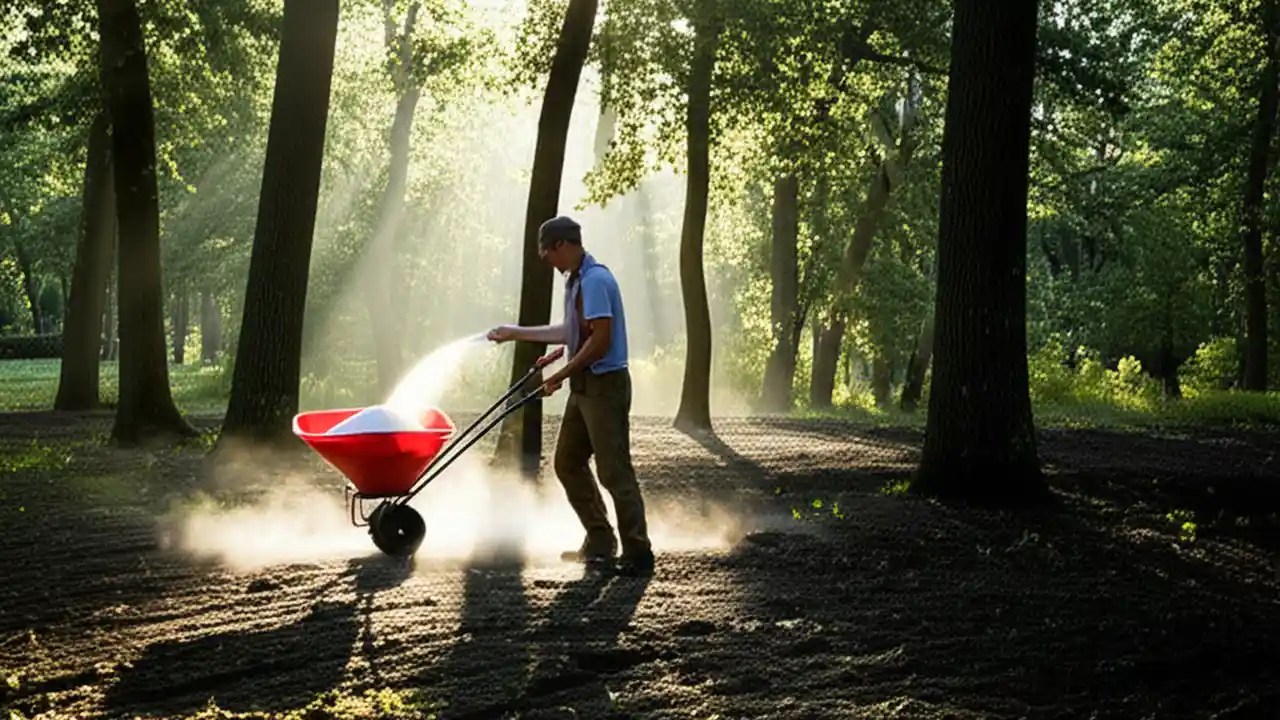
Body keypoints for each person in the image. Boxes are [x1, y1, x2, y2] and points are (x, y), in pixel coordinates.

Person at [487, 215, 654, 577]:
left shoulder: (595, 280)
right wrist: (515, 333)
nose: (547, 262)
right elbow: (573, 331)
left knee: (613, 470)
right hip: (584, 385)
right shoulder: (575, 281)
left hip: (604, 385)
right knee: (567, 462)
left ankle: (638, 552)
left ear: (562, 245)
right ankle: (600, 540)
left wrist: (560, 374)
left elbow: (601, 340)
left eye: (548, 254)